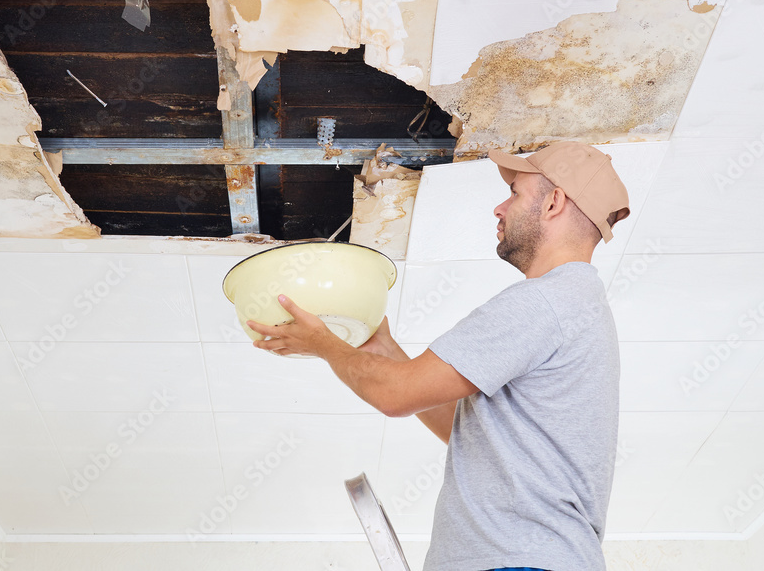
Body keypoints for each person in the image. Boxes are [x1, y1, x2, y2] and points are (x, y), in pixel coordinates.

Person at [248, 141, 630, 571]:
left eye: (516, 193)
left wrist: (323, 344)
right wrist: (382, 349)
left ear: (554, 202)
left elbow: (394, 396)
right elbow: (477, 436)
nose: (499, 209)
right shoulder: (576, 305)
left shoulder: (544, 302)